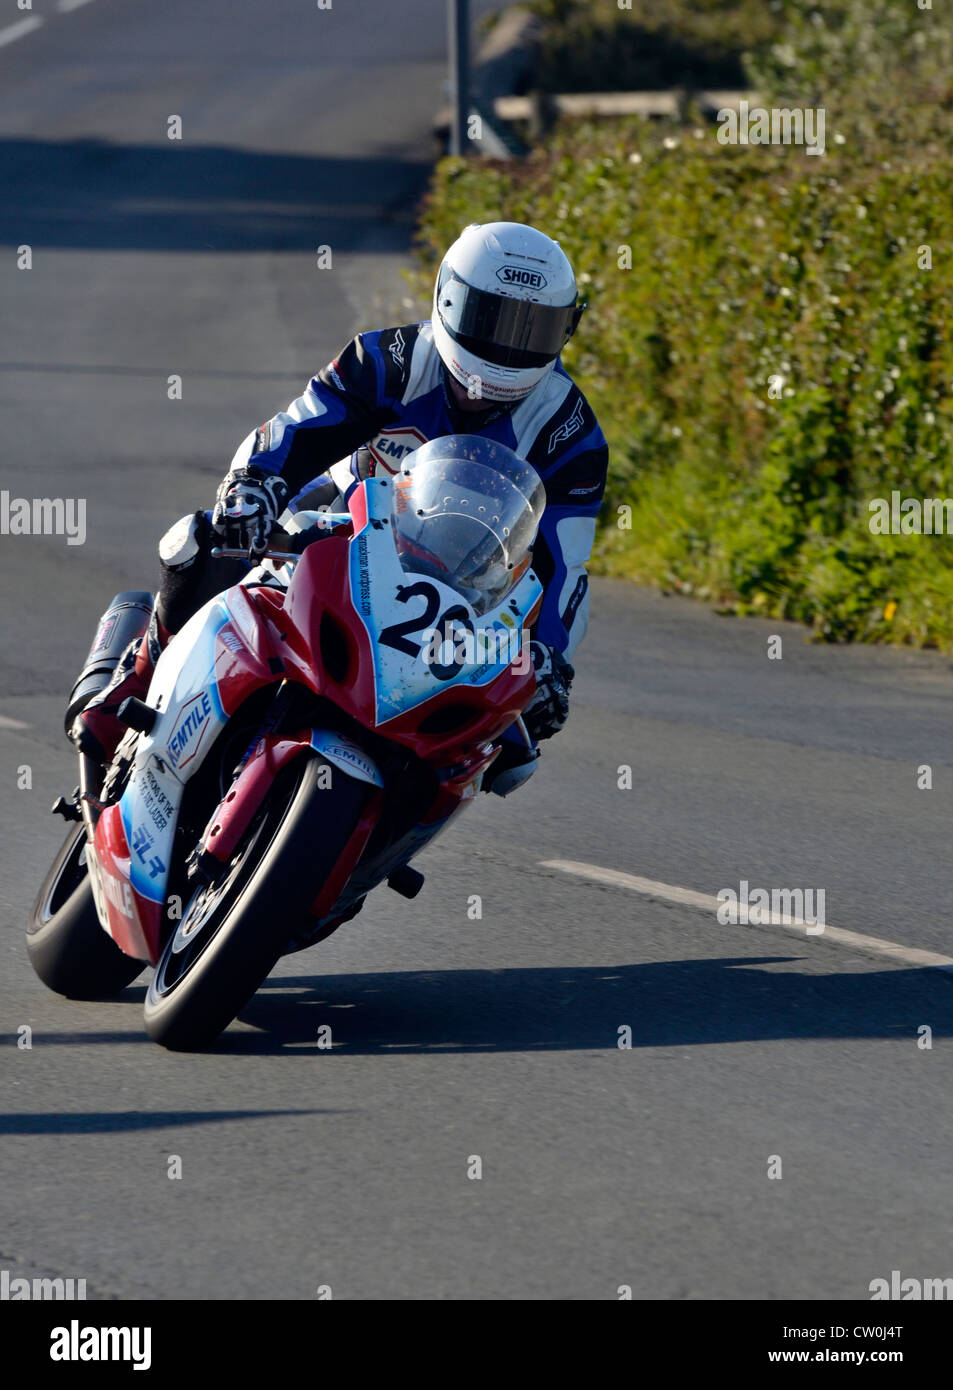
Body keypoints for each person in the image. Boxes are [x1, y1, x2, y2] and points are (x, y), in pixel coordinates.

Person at [73, 221, 609, 780]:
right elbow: (300, 428)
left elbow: (563, 564)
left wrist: (550, 658)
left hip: (461, 597)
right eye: (491, 322)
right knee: (207, 543)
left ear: (566, 330)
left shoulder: (570, 433)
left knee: (505, 758)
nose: (507, 347)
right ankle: (133, 683)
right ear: (448, 298)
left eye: (532, 330)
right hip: (333, 528)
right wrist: (252, 487)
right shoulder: (389, 359)